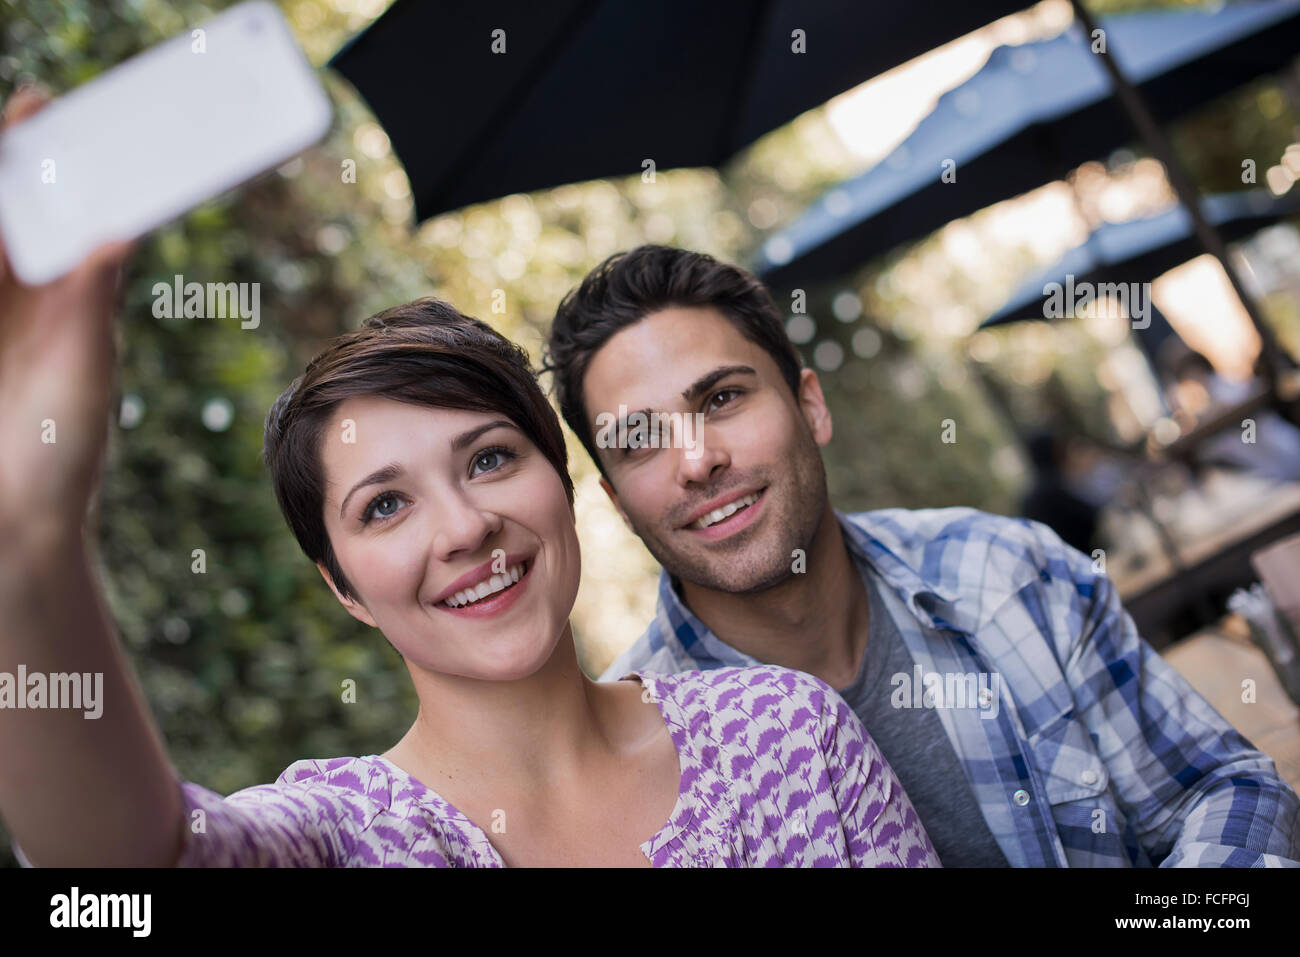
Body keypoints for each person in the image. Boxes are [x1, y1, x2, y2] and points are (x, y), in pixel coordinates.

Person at [0, 88, 938, 869]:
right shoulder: (350, 835)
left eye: (490, 458)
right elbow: (135, 867)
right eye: (385, 505)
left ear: (563, 480)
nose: (462, 526)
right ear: (343, 587)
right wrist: (28, 542)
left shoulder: (785, 735)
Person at [541, 243, 1300, 867]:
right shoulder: (627, 758)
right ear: (615, 501)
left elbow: (1221, 789)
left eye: (721, 399)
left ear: (811, 405)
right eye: (640, 440)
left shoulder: (1010, 571)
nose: (697, 459)